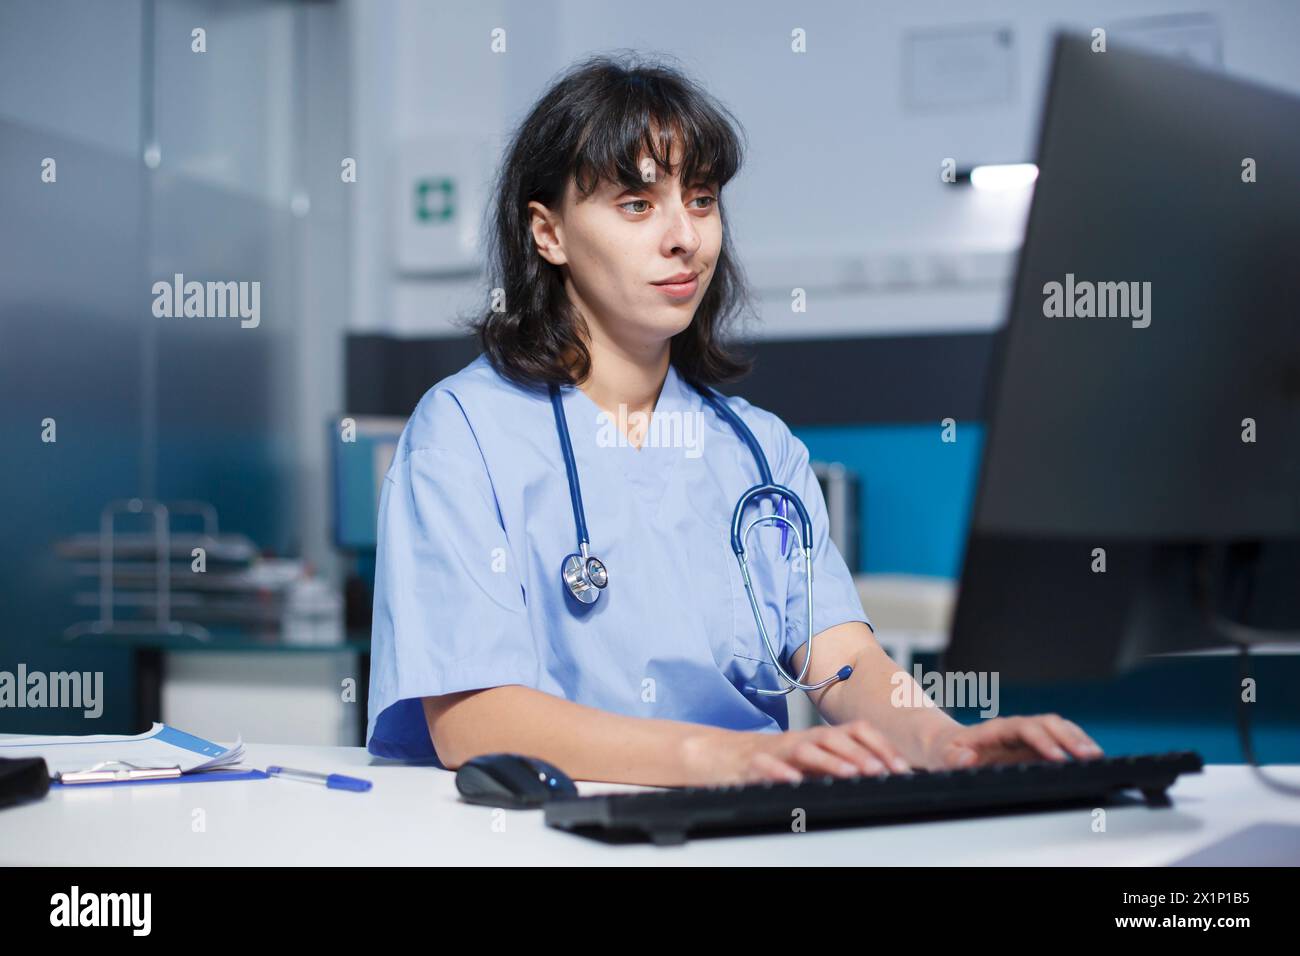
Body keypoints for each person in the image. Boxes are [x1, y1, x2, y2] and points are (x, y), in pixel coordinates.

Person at [366, 53, 1103, 787]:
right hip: (554, 831)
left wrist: (947, 743)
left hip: (745, 820)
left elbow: (845, 663)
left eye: (701, 198)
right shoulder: (464, 433)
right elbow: (474, 721)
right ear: (548, 232)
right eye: (637, 204)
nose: (684, 236)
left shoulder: (759, 450)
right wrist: (727, 756)